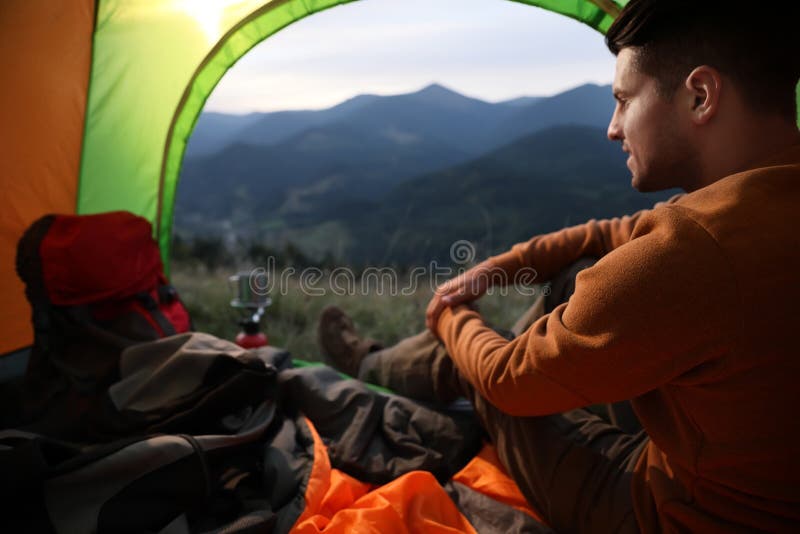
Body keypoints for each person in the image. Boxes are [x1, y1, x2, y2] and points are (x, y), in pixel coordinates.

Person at [319, 1, 800, 531]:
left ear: (700, 96)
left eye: (623, 101)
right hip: (743, 468)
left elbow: (506, 379)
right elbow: (607, 235)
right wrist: (491, 271)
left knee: (475, 356)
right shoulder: (760, 201)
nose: (613, 129)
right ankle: (391, 359)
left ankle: (368, 364)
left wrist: (450, 315)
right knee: (582, 271)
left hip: (671, 513)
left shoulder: (695, 245)